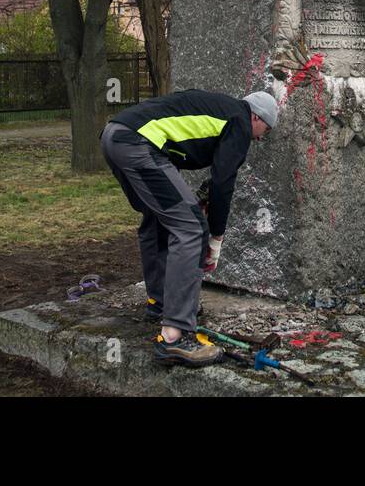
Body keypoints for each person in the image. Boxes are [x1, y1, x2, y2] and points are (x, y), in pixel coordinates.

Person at [100, 88, 278, 366]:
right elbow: (222, 182)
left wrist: (196, 201)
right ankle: (176, 336)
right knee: (192, 228)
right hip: (137, 143)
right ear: (256, 117)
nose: (259, 138)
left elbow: (177, 155)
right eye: (264, 130)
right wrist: (216, 238)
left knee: (158, 219)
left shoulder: (218, 108)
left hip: (115, 135)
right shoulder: (239, 121)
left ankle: (159, 303)